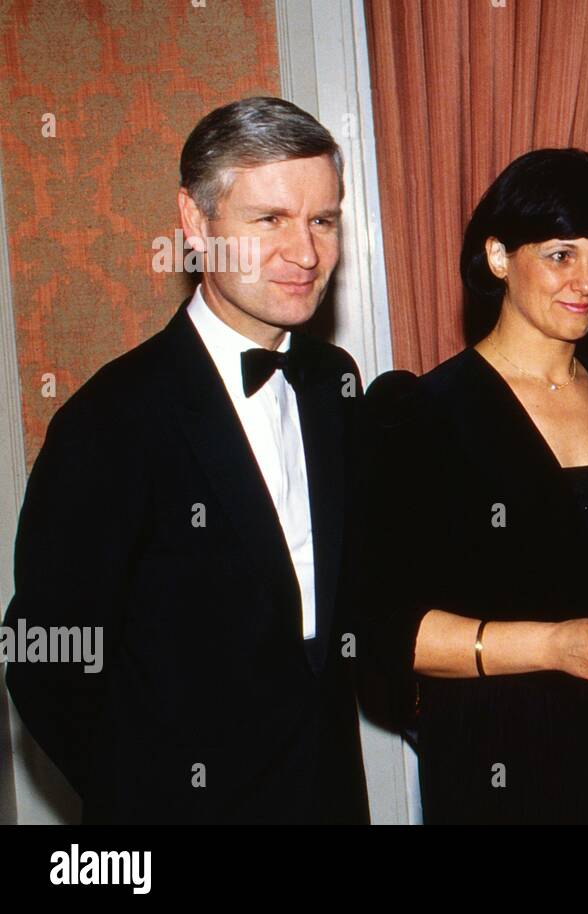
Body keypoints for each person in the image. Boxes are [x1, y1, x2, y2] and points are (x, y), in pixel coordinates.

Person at [4, 96, 369, 823]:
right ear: (197, 225)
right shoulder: (110, 420)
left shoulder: (335, 383)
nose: (305, 252)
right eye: (270, 220)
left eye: (322, 220)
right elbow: (45, 657)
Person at [361, 148, 588, 824]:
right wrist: (555, 646)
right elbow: (388, 635)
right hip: (507, 763)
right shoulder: (423, 413)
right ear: (498, 256)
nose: (585, 280)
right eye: (560, 254)